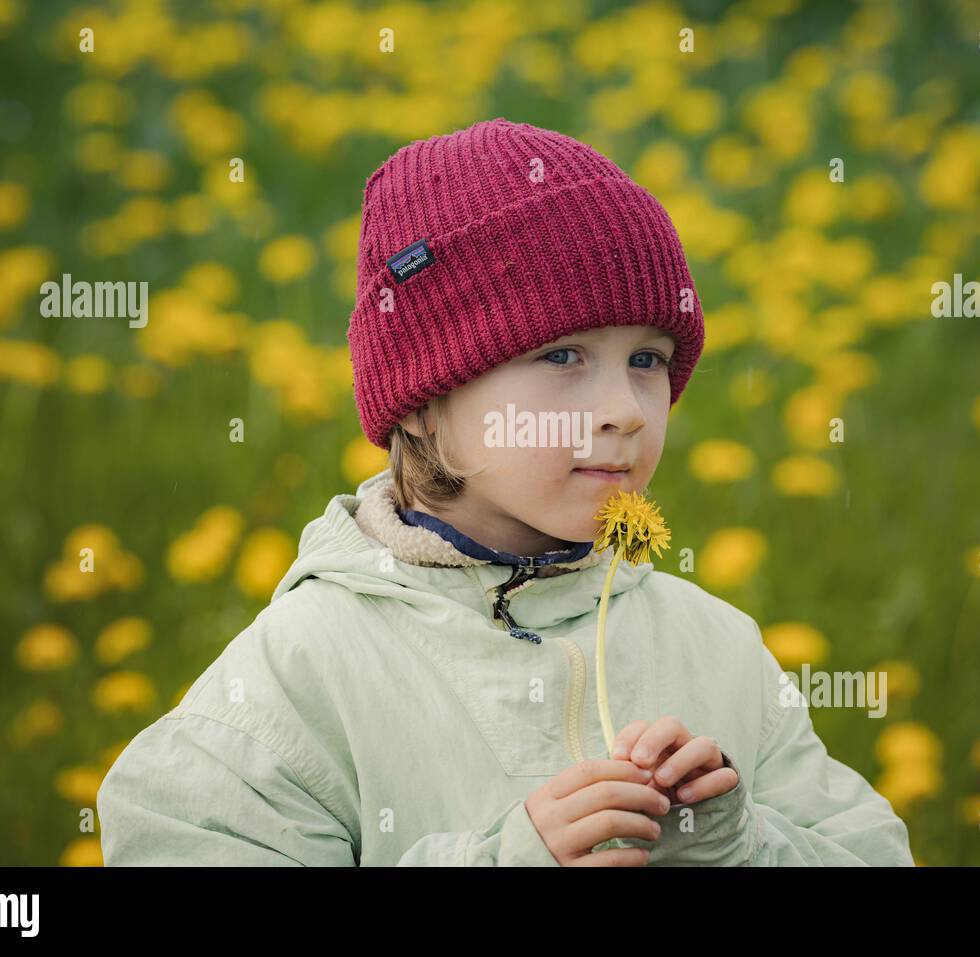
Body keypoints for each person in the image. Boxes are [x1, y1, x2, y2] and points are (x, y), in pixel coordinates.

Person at [97, 117, 914, 866]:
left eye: (649, 359)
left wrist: (736, 845)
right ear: (423, 401)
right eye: (562, 357)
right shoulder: (308, 666)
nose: (627, 412)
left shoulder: (717, 650)